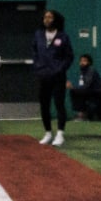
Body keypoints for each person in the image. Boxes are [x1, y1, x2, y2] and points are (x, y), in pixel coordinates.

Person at [33, 9, 73, 147]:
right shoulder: (38, 35)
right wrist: (38, 67)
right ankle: (48, 133)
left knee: (59, 104)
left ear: (55, 19)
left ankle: (60, 133)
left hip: (58, 76)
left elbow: (69, 57)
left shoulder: (63, 37)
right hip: (43, 75)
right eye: (45, 17)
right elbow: (35, 52)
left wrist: (60, 69)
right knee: (44, 104)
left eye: (50, 17)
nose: (47, 19)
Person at [70, 53, 101, 121]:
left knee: (77, 91)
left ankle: (82, 115)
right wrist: (75, 88)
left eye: (84, 61)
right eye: (81, 61)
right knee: (74, 91)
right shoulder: (83, 71)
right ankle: (81, 113)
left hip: (99, 92)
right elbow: (82, 86)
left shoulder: (91, 70)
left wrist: (74, 88)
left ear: (89, 62)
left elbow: (87, 85)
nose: (82, 63)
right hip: (91, 91)